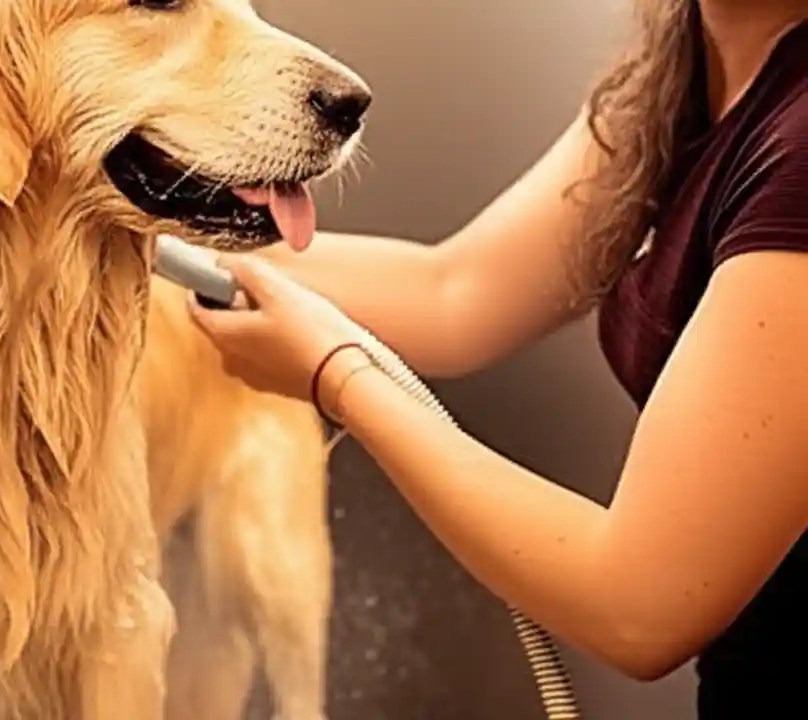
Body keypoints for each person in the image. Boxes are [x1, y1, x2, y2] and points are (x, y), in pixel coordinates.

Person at [188, 1, 808, 717]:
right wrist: (153, 252)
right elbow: (456, 295)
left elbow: (640, 607)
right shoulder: (694, 57)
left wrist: (337, 375)